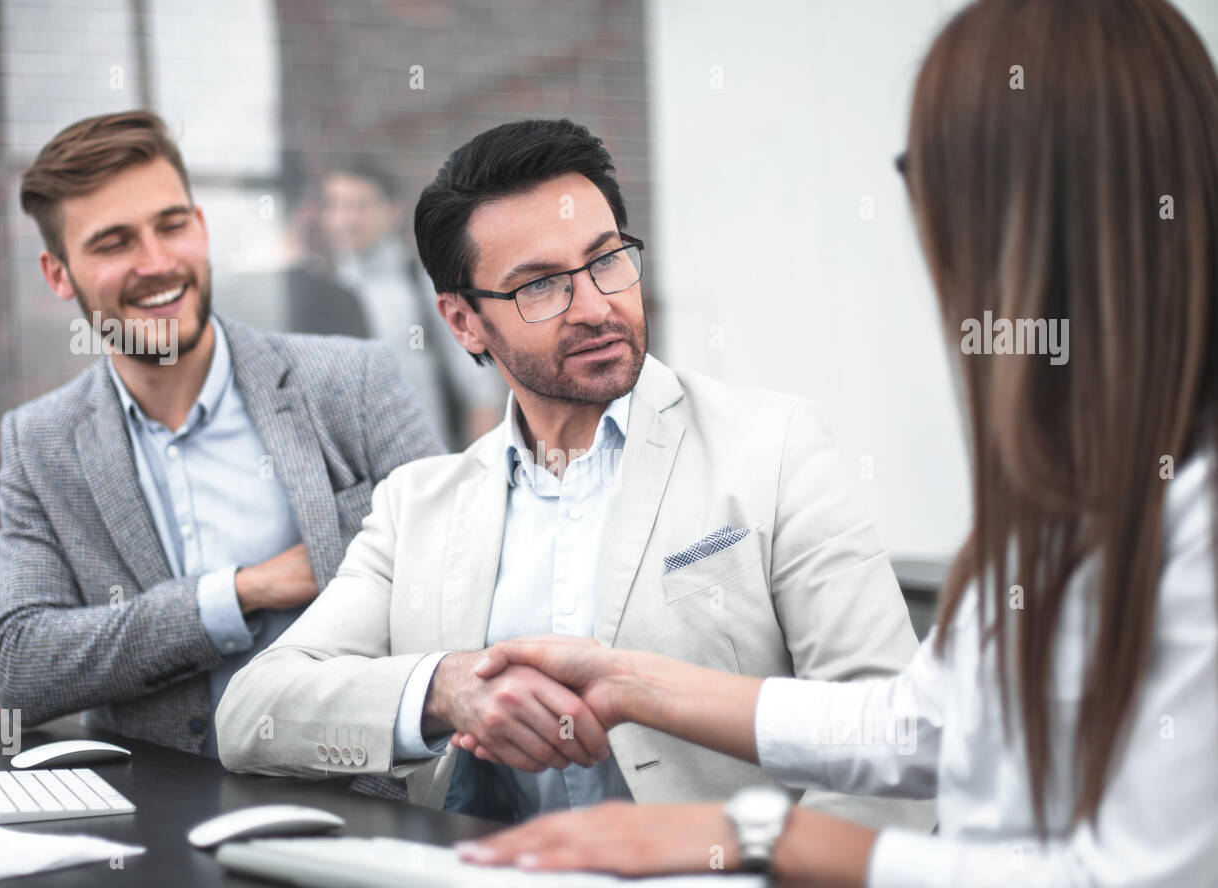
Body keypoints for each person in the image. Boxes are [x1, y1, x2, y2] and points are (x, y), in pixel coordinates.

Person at [456, 0, 1218, 888]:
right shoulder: (1073, 485)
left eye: (925, 173)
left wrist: (755, 834)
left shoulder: (1193, 507)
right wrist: (627, 683)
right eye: (541, 283)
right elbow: (916, 724)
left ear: (1040, 204)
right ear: (463, 322)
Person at [217, 118, 936, 834]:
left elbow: (899, 744)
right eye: (540, 287)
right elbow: (253, 713)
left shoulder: (775, 447)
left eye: (607, 260)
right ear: (464, 322)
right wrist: (444, 689)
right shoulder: (417, 505)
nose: (595, 306)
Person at [0, 111, 441, 798]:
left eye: (171, 225)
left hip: (359, 811)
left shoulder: (352, 383)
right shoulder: (42, 442)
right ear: (58, 273)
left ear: (200, 225)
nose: (156, 262)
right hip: (150, 836)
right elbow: (21, 665)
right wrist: (236, 594)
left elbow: (452, 573)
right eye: (113, 241)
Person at [318, 158, 504, 449]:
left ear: (392, 211)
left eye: (359, 206)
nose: (346, 219)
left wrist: (478, 471)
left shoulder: (425, 284)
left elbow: (478, 384)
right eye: (336, 205)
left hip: (426, 467)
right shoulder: (319, 289)